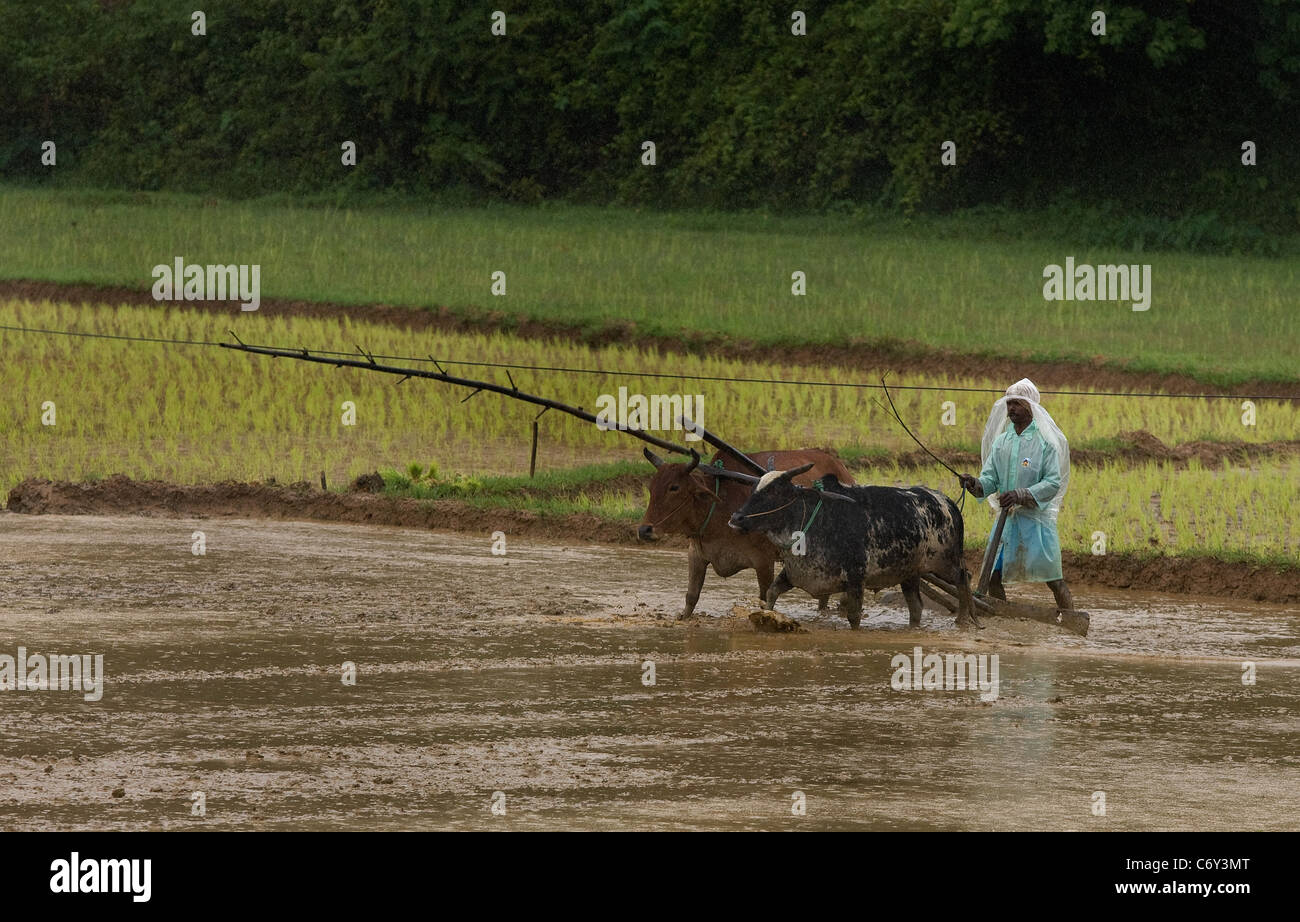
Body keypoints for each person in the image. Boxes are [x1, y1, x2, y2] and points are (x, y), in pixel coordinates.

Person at [958, 378, 1075, 612]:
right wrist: (974, 484)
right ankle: (1000, 615)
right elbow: (990, 480)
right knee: (992, 575)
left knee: (1053, 579)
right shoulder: (1003, 442)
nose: (1011, 408)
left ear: (1031, 406)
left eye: (1016, 404)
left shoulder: (1045, 443)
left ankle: (1072, 617)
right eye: (1009, 403)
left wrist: (1020, 494)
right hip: (1007, 522)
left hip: (1035, 521)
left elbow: (1053, 482)